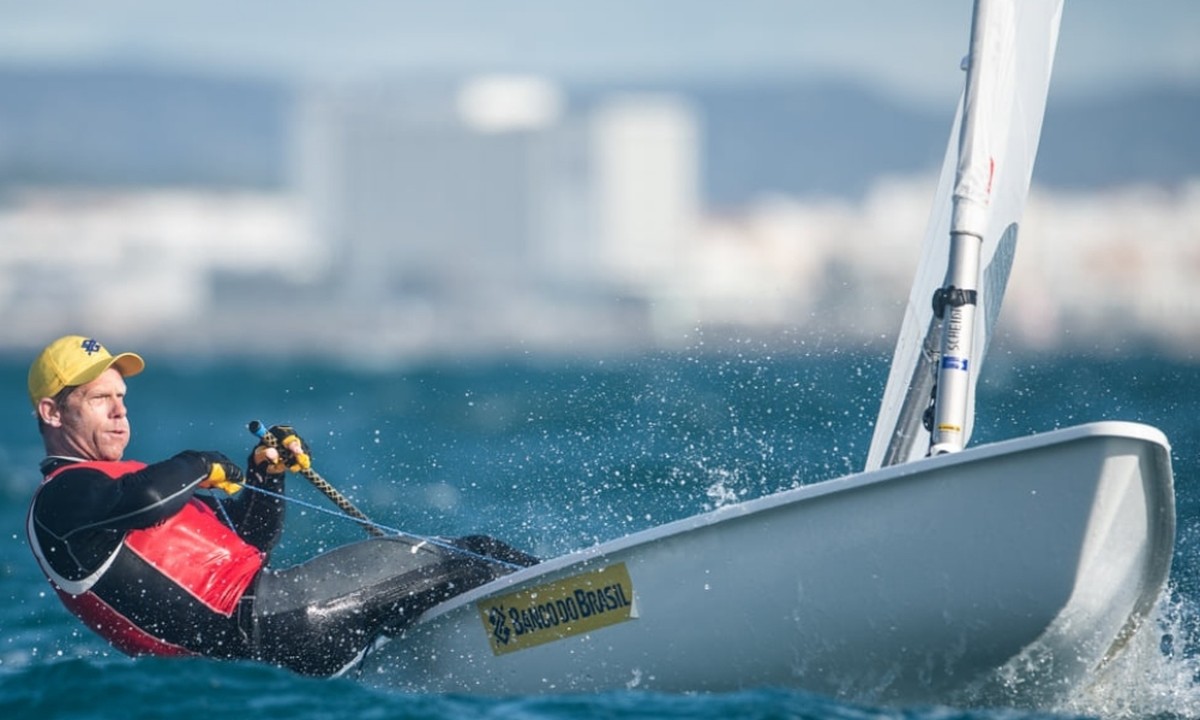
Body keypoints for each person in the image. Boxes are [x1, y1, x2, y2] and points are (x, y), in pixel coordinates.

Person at [25, 334, 538, 676]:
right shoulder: (65, 497)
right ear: (50, 412)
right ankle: (588, 595)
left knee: (436, 583)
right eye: (99, 400)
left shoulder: (116, 489)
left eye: (122, 399)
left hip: (270, 641)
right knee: (468, 554)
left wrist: (263, 476)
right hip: (271, 621)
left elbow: (247, 543)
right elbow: (151, 499)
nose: (119, 413)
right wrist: (200, 461)